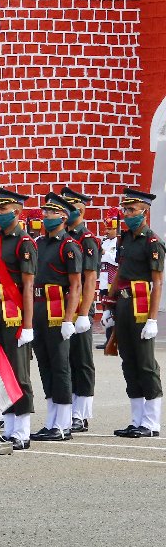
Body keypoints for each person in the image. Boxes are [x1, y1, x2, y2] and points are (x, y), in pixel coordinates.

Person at [109, 188, 164, 439]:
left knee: (145, 363)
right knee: (128, 362)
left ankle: (151, 422)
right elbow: (120, 273)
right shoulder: (125, 239)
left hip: (142, 305)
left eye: (131, 210)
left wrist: (152, 319)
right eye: (125, 209)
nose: (127, 214)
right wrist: (109, 304)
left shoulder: (152, 241)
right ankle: (136, 419)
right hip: (123, 303)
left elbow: (157, 282)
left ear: (144, 211)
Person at [0, 188, 37, 449]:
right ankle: (7, 425)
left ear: (16, 212)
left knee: (18, 372)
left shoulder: (24, 242)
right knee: (0, 371)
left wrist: (28, 324)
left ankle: (22, 430)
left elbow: (27, 285)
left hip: (15, 314)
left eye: (3, 210)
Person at [29, 192, 84, 442]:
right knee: (45, 366)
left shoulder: (69, 246)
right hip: (39, 308)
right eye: (45, 212)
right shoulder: (39, 244)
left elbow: (76, 286)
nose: (46, 216)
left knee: (60, 367)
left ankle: (63, 423)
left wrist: (69, 319)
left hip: (57, 311)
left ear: (63, 216)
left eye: (51, 212)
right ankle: (52, 420)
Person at [60, 186, 101, 432]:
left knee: (81, 359)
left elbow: (90, 279)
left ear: (81, 210)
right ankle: (66, 408)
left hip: (79, 307)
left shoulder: (87, 240)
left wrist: (84, 313)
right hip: (60, 305)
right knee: (63, 360)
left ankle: (81, 413)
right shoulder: (62, 238)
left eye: (70, 208)